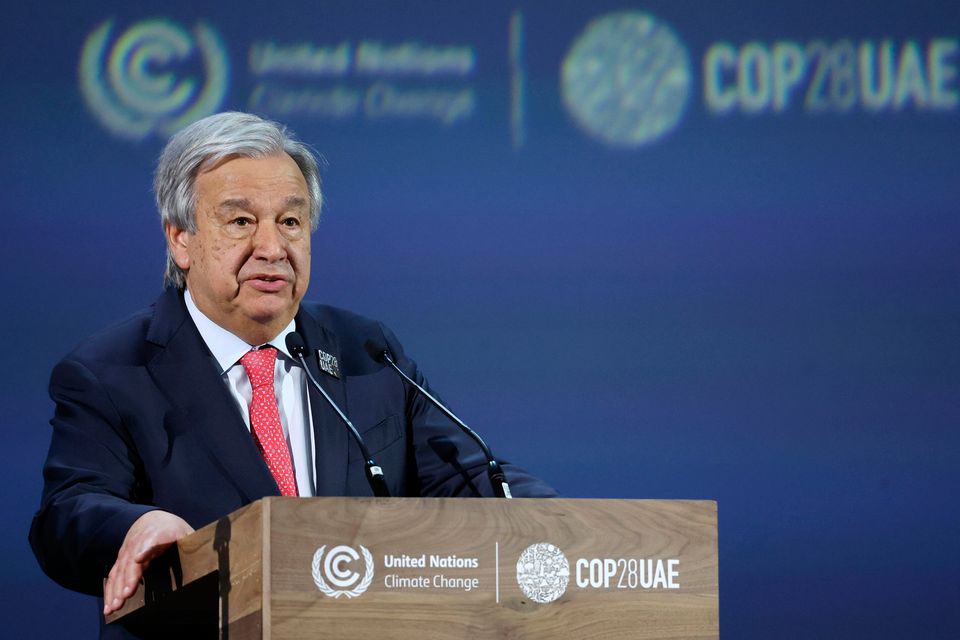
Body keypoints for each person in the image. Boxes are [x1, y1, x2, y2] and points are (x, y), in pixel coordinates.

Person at [29, 111, 555, 638]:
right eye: (240, 221)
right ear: (180, 239)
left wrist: (568, 526)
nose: (272, 248)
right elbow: (66, 512)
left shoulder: (365, 351)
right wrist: (135, 525)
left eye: (290, 222)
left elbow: (465, 478)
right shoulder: (111, 371)